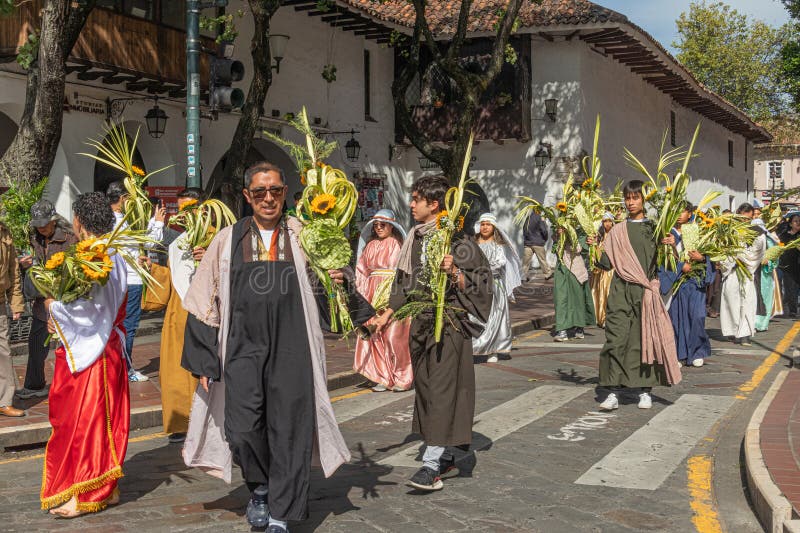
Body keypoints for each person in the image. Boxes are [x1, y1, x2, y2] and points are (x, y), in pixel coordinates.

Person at [181, 162, 360, 532]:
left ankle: (281, 509)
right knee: (243, 428)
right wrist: (203, 361)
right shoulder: (227, 239)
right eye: (259, 192)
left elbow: (332, 288)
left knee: (291, 428)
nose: (267, 199)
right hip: (243, 349)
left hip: (293, 351)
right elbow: (204, 298)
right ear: (247, 196)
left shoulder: (304, 235)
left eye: (275, 191)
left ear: (284, 194)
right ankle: (260, 487)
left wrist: (340, 284)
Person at [372, 174, 492, 492]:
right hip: (421, 324)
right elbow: (404, 282)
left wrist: (454, 272)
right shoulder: (416, 238)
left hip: (448, 327)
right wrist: (388, 312)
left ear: (434, 204)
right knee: (425, 389)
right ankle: (449, 451)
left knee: (440, 391)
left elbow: (482, 282)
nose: (410, 205)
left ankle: (431, 465)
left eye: (416, 200)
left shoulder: (459, 242)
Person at [40, 192, 129, 516]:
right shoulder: (111, 251)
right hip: (105, 347)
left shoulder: (97, 256)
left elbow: (91, 310)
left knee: (88, 424)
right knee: (103, 422)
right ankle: (109, 486)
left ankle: (89, 494)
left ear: (79, 222)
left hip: (96, 350)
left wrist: (54, 307)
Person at [591, 180, 682, 411]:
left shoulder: (656, 228)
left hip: (644, 292)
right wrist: (594, 245)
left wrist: (672, 246)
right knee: (615, 339)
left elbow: (669, 262)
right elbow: (605, 263)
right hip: (620, 291)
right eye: (628, 198)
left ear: (644, 200)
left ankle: (645, 391)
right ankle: (612, 392)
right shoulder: (618, 231)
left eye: (635, 198)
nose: (631, 202)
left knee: (644, 341)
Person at [140, 189, 206, 444]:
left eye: (191, 210)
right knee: (177, 367)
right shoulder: (178, 243)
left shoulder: (219, 237)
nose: (185, 216)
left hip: (210, 307)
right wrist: (152, 269)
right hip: (180, 308)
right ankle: (181, 421)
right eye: (182, 211)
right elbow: (170, 275)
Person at [16, 200, 77, 399]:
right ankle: (34, 385)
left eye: (45, 224)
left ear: (54, 220)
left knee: (67, 346)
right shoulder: (35, 238)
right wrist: (26, 266)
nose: (41, 228)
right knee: (36, 344)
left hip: (65, 300)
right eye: (38, 225)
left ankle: (71, 384)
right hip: (42, 302)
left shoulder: (69, 238)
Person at [107, 180, 166, 382]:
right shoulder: (121, 221)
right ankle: (126, 369)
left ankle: (116, 367)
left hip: (113, 281)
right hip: (130, 280)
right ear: (124, 199)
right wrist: (157, 223)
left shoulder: (108, 221)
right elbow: (149, 242)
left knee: (115, 326)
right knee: (128, 326)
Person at [353, 209, 412, 392]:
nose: (379, 228)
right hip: (371, 293)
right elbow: (361, 271)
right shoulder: (369, 246)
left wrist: (391, 294)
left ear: (391, 226)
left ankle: (402, 377)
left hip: (390, 293)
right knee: (375, 334)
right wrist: (361, 296)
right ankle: (382, 376)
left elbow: (401, 272)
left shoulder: (397, 245)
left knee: (394, 336)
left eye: (383, 224)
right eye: (376, 225)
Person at [658, 203, 713, 367]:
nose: (678, 215)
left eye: (682, 211)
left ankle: (697, 351)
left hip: (695, 281)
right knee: (677, 317)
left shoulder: (699, 231)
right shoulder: (668, 233)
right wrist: (680, 263)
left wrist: (702, 258)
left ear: (690, 214)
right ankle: (677, 353)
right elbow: (662, 259)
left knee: (697, 316)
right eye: (675, 211)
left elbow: (711, 254)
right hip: (677, 281)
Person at [471, 212, 522, 362]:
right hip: (475, 286)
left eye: (488, 224)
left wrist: (480, 270)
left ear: (494, 227)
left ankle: (493, 349)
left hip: (493, 285)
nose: (485, 227)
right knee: (475, 317)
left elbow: (499, 263)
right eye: (482, 224)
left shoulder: (499, 245)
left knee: (495, 317)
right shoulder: (474, 243)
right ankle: (477, 347)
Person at [720, 203, 767, 346]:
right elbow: (722, 249)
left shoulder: (757, 232)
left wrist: (742, 257)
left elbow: (759, 251)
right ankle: (734, 331)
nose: (744, 221)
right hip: (732, 270)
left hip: (746, 271)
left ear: (752, 217)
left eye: (748, 218)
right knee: (731, 302)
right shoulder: (729, 230)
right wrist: (731, 258)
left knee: (747, 302)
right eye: (742, 218)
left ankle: (745, 334)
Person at [553, 225, 596, 342]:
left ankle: (579, 328)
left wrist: (571, 235)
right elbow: (555, 248)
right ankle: (562, 330)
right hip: (562, 268)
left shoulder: (582, 230)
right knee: (561, 299)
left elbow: (579, 248)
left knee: (578, 299)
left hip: (576, 269)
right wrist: (559, 235)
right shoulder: (558, 226)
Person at [0, 213, 24, 417]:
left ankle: (5, 401)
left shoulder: (5, 232)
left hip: (0, 302)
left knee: (3, 352)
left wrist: (16, 303)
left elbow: (14, 271)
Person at [755, 219, 782, 332]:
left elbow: (775, 259)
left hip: (764, 275)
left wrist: (768, 262)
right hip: (751, 273)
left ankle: (761, 323)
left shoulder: (769, 240)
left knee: (765, 298)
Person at [590, 213, 615, 328]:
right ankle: (599, 317)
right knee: (598, 293)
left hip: (611, 271)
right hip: (599, 271)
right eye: (605, 221)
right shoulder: (599, 235)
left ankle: (607, 318)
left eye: (609, 221)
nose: (607, 224)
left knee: (607, 294)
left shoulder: (615, 235)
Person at [778, 213, 800, 317]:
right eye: (795, 221)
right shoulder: (785, 235)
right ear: (790, 224)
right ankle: (793, 310)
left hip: (798, 264)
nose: (798, 223)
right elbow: (780, 248)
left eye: (799, 221)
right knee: (790, 287)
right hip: (788, 266)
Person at [522, 209, 551, 281]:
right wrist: (545, 239)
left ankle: (523, 276)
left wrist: (527, 239)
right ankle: (547, 274)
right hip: (538, 243)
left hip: (528, 243)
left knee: (526, 262)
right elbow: (544, 230)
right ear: (539, 210)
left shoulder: (528, 218)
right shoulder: (540, 218)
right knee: (542, 260)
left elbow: (524, 229)